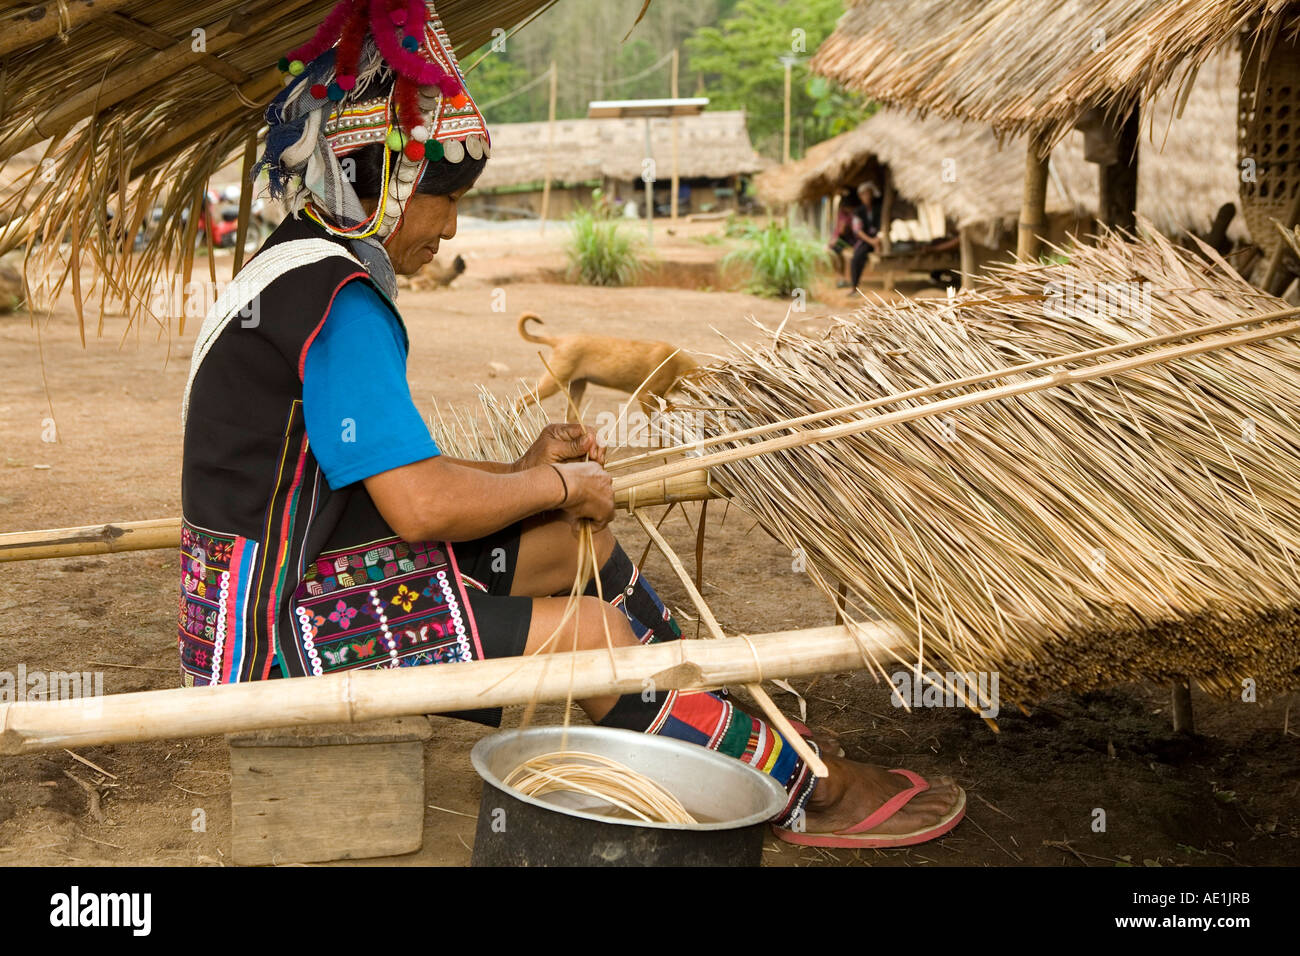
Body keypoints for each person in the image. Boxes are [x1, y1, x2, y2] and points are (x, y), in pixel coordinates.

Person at [178, 0, 964, 849]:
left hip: (276, 589)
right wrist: (559, 481)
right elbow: (420, 508)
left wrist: (523, 477)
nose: (449, 227)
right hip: (267, 633)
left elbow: (380, 477)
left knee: (571, 546)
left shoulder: (291, 269)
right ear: (379, 185)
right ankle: (799, 789)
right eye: (441, 199)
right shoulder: (339, 304)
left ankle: (720, 727)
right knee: (589, 630)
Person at [849, 180, 884, 292]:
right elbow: (858, 230)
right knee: (856, 258)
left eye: (869, 193)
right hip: (866, 240)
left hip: (878, 238)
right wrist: (871, 241)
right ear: (860, 196)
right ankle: (854, 286)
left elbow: (883, 226)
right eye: (865, 194)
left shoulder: (879, 209)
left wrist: (878, 240)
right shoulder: (858, 211)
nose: (868, 196)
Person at [828, 187, 863, 287]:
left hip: (855, 239)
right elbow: (838, 229)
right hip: (844, 239)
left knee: (854, 256)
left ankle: (849, 279)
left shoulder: (856, 214)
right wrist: (834, 239)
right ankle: (841, 277)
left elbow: (856, 230)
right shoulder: (842, 213)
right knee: (834, 250)